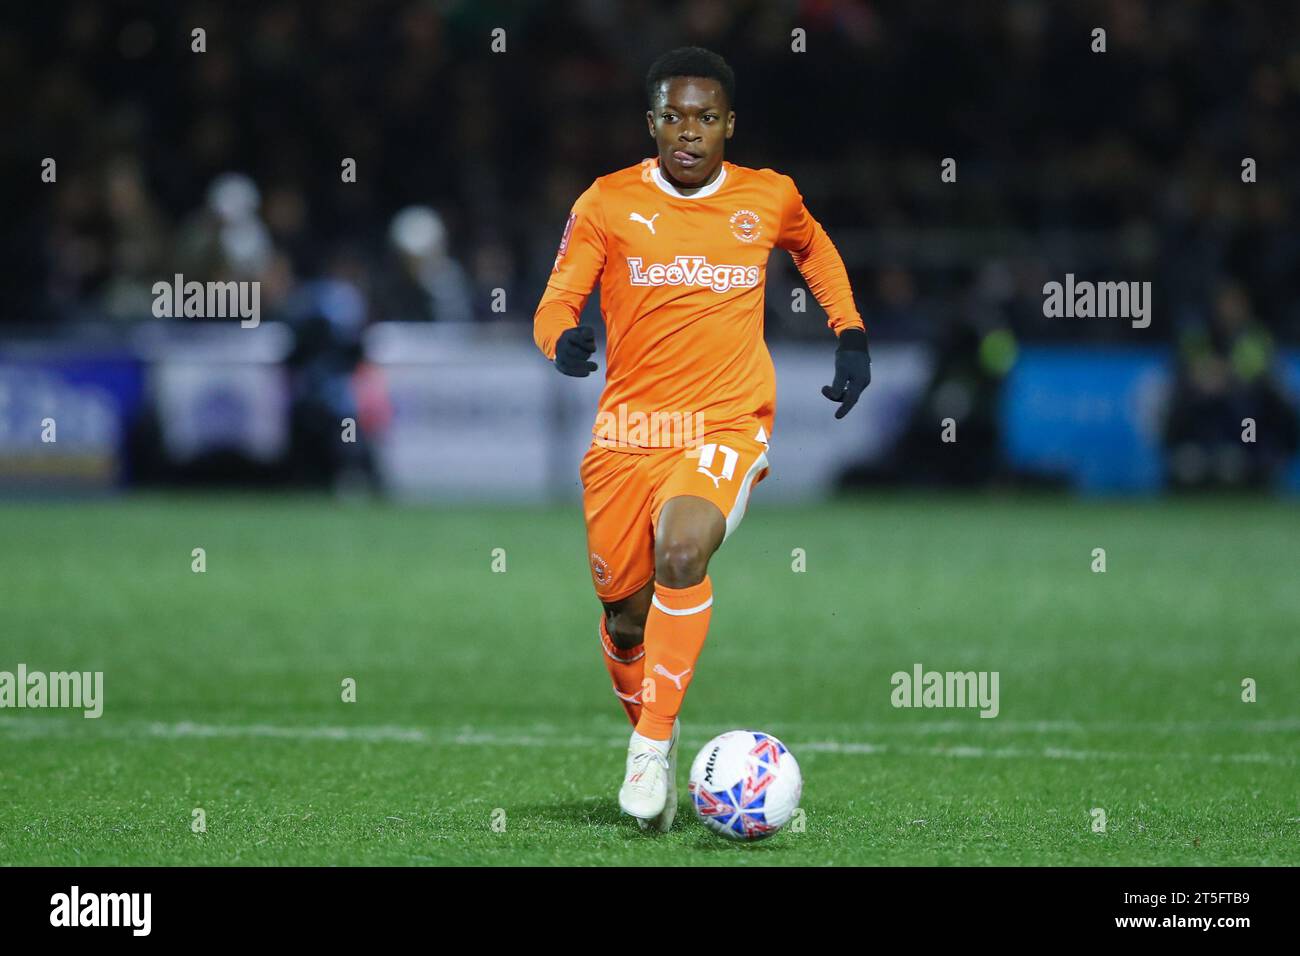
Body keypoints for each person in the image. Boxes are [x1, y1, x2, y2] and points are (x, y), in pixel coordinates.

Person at [531, 47, 871, 832]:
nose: (690, 133)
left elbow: (814, 247)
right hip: (628, 433)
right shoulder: (608, 203)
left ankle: (650, 748)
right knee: (624, 616)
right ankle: (658, 718)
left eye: (706, 118)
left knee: (684, 552)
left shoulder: (768, 196)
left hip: (726, 421)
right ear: (651, 122)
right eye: (675, 117)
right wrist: (562, 343)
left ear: (729, 125)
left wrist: (849, 332)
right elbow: (555, 302)